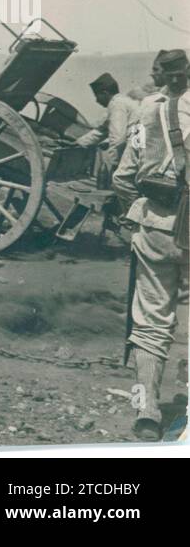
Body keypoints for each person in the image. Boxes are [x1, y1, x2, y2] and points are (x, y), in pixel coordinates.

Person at [112, 48, 189, 441]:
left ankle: (147, 412)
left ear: (166, 76)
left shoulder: (145, 111)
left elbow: (124, 176)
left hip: (156, 225)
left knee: (150, 322)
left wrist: (138, 215)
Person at [74, 73, 138, 189]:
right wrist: (79, 142)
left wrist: (112, 165)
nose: (96, 101)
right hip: (136, 147)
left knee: (121, 185)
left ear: (105, 93)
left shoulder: (117, 105)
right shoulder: (122, 102)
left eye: (97, 96)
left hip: (136, 149)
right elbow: (101, 131)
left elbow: (118, 139)